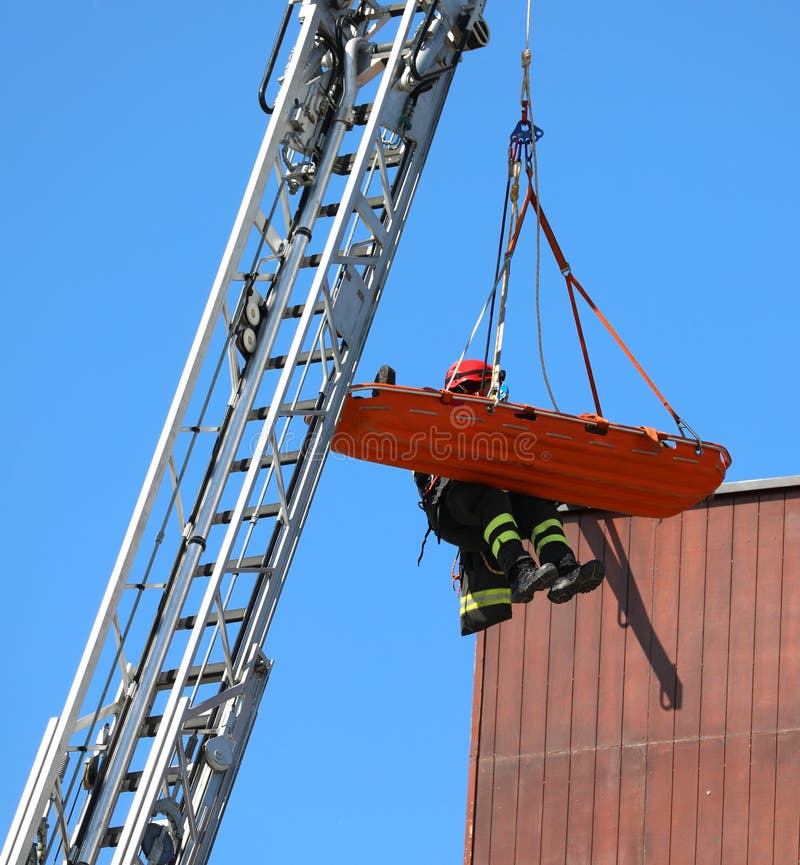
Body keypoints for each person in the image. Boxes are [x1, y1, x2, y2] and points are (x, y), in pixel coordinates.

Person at [380, 359, 605, 636]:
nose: (497, 393)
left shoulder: (498, 421)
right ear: (470, 388)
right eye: (489, 387)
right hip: (454, 509)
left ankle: (565, 568)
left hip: (494, 511)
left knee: (538, 505)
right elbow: (399, 424)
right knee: (491, 498)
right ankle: (520, 573)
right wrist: (384, 395)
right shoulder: (436, 415)